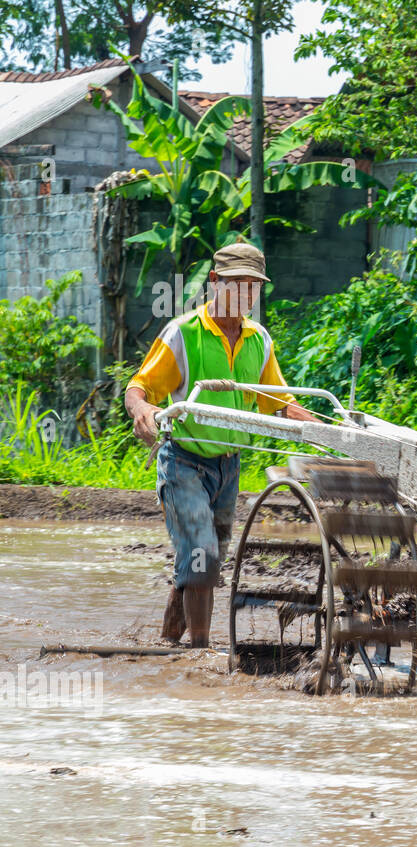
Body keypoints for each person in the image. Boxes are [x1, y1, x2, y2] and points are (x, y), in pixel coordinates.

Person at [123, 242, 315, 648]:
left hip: (228, 469)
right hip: (184, 464)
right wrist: (141, 411)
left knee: (200, 562)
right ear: (214, 282)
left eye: (253, 286)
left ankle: (169, 643)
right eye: (237, 284)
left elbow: (278, 403)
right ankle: (200, 653)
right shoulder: (184, 333)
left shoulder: (259, 340)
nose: (246, 295)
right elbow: (139, 388)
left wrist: (321, 428)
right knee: (203, 555)